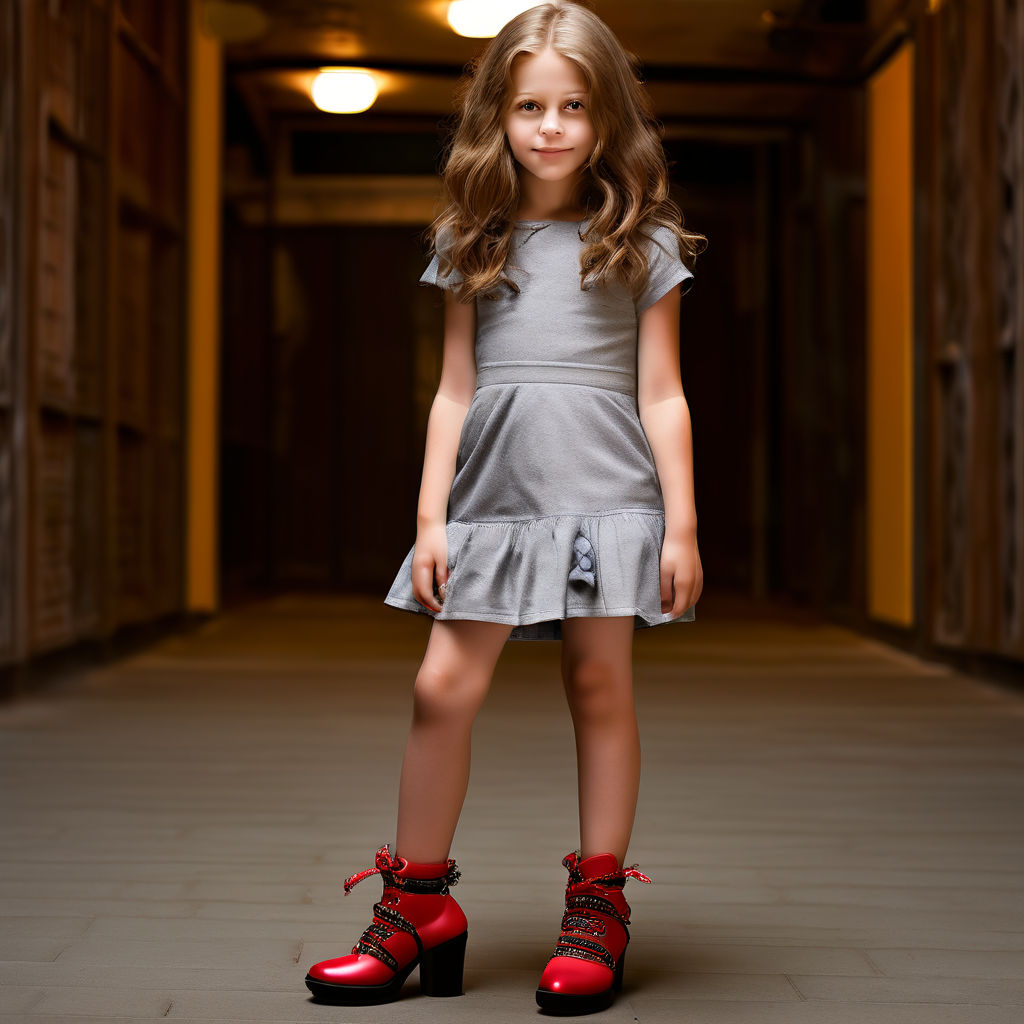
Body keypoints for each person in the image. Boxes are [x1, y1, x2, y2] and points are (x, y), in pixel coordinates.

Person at [304, 0, 705, 1015]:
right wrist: (431, 518)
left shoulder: (639, 240)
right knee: (442, 686)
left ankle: (598, 906)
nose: (552, 126)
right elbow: (452, 389)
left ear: (608, 116)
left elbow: (661, 390)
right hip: (488, 502)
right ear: (497, 114)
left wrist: (683, 524)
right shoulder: (469, 238)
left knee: (598, 684)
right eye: (530, 105)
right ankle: (416, 906)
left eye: (575, 105)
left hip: (608, 494)